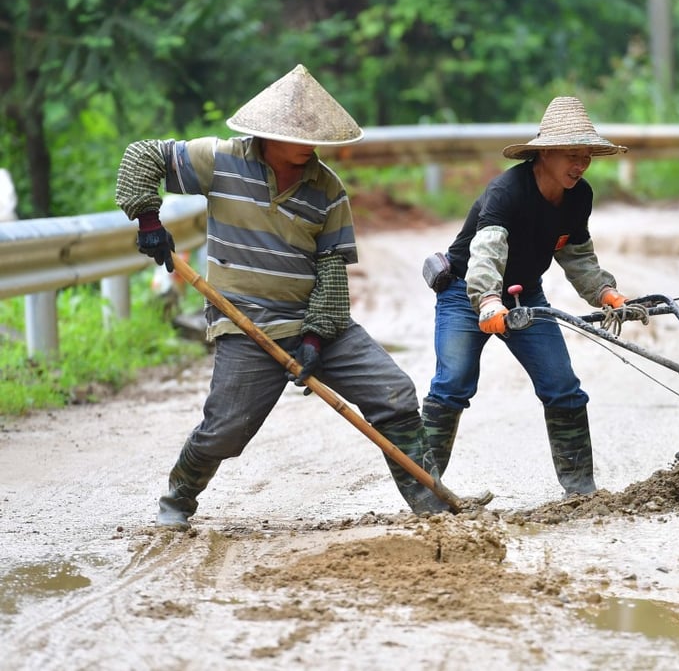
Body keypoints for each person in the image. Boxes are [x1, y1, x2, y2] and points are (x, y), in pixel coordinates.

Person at [115, 64, 454, 528]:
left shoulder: (328, 189)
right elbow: (141, 156)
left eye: (316, 135)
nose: (310, 143)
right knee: (225, 432)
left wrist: (315, 337)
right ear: (267, 133)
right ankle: (178, 498)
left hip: (318, 323)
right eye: (299, 134)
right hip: (246, 325)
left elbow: (332, 272)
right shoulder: (219, 159)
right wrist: (148, 221)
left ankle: (430, 500)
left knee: (394, 393)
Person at [421, 96, 628, 496]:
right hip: (466, 292)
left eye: (586, 155)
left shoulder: (579, 196)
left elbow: (576, 253)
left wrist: (605, 292)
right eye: (571, 154)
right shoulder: (507, 191)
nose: (580, 164)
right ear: (545, 153)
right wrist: (487, 302)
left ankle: (581, 489)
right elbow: (487, 252)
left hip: (525, 293)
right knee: (453, 382)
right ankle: (424, 487)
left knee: (562, 384)